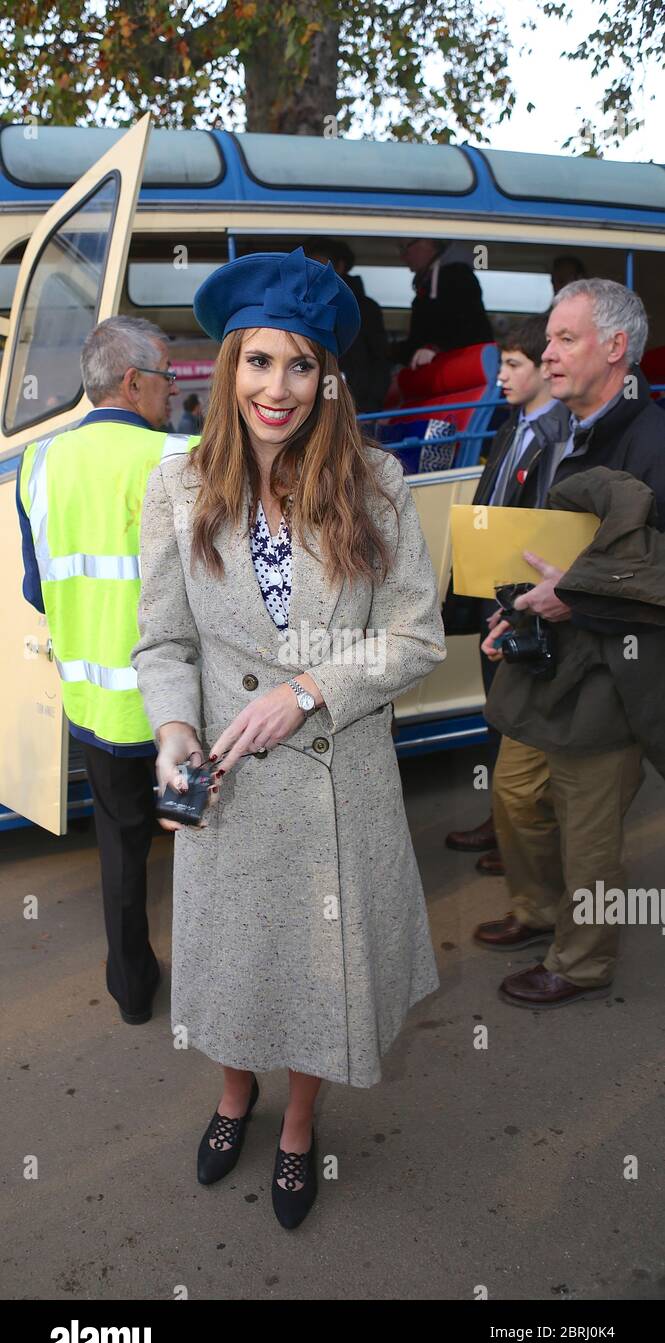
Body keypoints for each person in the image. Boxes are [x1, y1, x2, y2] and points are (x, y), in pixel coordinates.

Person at [131, 246, 447, 1229]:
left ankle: (300, 1126)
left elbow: (415, 634)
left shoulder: (378, 482)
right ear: (227, 368)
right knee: (231, 967)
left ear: (327, 379)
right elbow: (162, 639)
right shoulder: (178, 486)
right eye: (258, 361)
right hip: (225, 790)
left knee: (319, 973)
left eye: (300, 364)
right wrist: (174, 729)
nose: (277, 387)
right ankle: (234, 1099)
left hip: (333, 781)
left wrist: (310, 688)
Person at [474, 279, 665, 1007]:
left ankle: (582, 960)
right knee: (517, 797)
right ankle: (536, 911)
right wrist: (511, 611)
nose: (545, 353)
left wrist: (576, 593)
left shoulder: (650, 441)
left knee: (588, 833)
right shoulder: (565, 431)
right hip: (546, 658)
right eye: (547, 339)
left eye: (563, 339)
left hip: (614, 673)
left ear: (614, 349)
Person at [16, 317, 200, 1025]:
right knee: (201, 840)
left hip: (94, 704)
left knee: (121, 851)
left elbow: (37, 589)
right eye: (167, 379)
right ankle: (219, 986)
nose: (172, 393)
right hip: (179, 708)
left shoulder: (39, 465)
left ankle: (131, 988)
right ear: (133, 382)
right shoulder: (183, 458)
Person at [445, 315, 570, 874]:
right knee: (498, 714)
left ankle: (522, 834)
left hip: (524, 605)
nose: (501, 377)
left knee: (525, 723)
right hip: (491, 598)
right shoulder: (509, 428)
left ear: (545, 368)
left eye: (513, 365)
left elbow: (546, 527)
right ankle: (502, 822)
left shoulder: (561, 436)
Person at [303, 237, 391, 414]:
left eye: (320, 267)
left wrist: (373, 407)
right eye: (308, 268)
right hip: (318, 398)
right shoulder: (303, 305)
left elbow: (380, 360)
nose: (313, 274)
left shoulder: (366, 308)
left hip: (360, 403)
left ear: (340, 267)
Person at [394, 238, 493, 368]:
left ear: (428, 243)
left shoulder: (457, 277)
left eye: (405, 247)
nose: (403, 256)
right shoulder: (432, 282)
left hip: (456, 369)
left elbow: (469, 329)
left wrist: (436, 348)